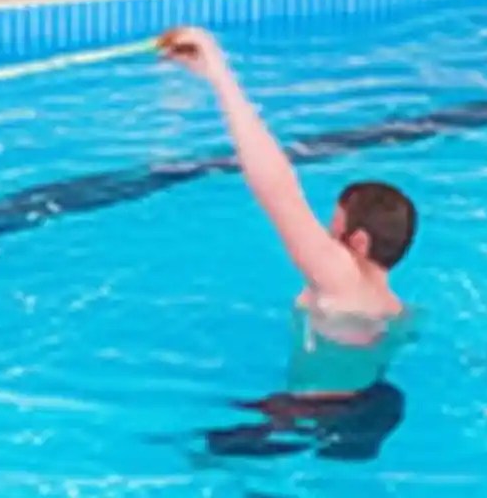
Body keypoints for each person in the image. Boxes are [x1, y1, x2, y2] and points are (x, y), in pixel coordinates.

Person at [157, 27, 418, 461]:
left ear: (358, 241)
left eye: (332, 226)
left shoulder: (339, 276)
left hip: (314, 412)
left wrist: (219, 75)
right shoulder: (397, 308)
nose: (322, 233)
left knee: (185, 454)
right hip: (373, 407)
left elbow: (276, 186)